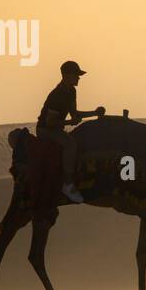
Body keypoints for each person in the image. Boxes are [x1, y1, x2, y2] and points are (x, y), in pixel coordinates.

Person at [37, 60, 104, 203]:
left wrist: (94, 112)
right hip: (45, 130)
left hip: (56, 128)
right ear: (66, 76)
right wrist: (69, 122)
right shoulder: (56, 95)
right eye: (76, 75)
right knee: (70, 143)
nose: (79, 78)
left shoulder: (72, 91)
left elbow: (74, 114)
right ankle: (68, 184)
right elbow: (50, 123)